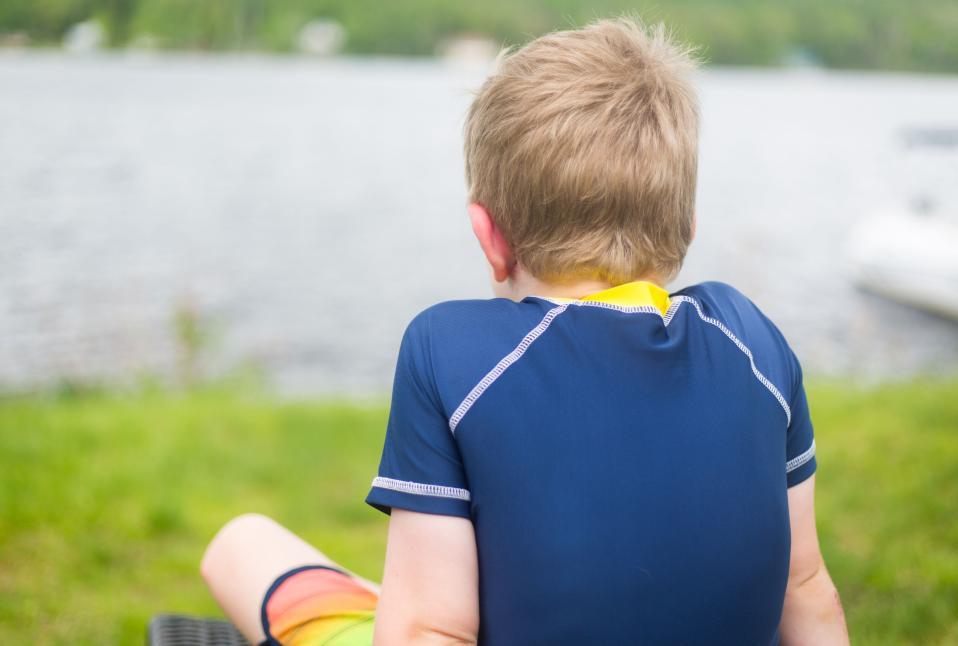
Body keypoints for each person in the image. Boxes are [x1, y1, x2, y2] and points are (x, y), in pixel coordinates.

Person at [200, 17, 850, 645]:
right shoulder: (755, 343)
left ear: (489, 235)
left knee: (242, 545)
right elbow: (806, 585)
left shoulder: (450, 353)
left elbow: (429, 631)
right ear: (687, 227)